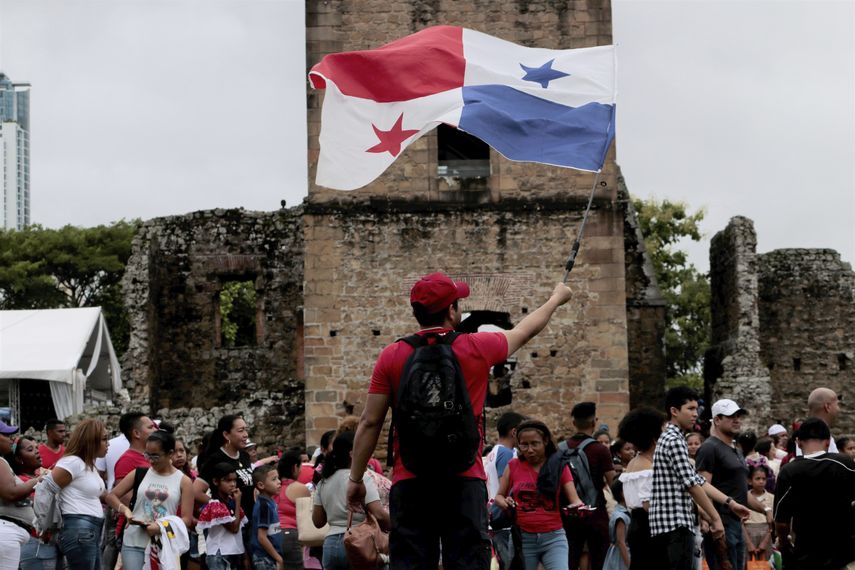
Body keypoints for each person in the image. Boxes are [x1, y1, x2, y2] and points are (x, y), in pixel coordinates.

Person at [347, 273, 573, 570]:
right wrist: (556, 298)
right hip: (464, 478)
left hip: (411, 480)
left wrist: (355, 479)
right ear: (452, 311)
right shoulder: (475, 347)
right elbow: (524, 331)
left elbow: (369, 422)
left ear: (416, 313)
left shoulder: (392, 355)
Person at [649, 387, 750, 570]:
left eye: (696, 409)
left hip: (675, 524)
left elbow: (697, 480)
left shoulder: (675, 438)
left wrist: (730, 502)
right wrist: (715, 517)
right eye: (690, 409)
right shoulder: (674, 440)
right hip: (674, 524)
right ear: (674, 411)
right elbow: (692, 485)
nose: (695, 414)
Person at [494, 420, 583, 570]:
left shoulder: (558, 465)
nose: (529, 450)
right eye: (524, 445)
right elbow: (499, 496)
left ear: (545, 442)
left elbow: (575, 500)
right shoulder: (513, 465)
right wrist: (504, 502)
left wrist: (577, 508)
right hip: (523, 538)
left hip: (554, 537)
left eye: (535, 444)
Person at [695, 399, 772, 570]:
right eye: (731, 416)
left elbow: (742, 492)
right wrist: (712, 520)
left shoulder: (736, 450)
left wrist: (765, 510)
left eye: (738, 416)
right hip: (721, 524)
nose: (737, 419)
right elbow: (701, 488)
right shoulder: (709, 448)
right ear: (717, 420)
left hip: (737, 524)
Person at [773, 417, 855, 569]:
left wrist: (784, 545)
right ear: (828, 442)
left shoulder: (789, 471)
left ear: (798, 442)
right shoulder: (846, 464)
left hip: (806, 554)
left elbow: (781, 522)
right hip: (844, 553)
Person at [106, 431, 194, 570]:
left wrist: (160, 527)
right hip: (133, 541)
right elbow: (111, 496)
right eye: (147, 455)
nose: (150, 460)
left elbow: (186, 519)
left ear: (170, 453)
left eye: (155, 456)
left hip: (163, 544)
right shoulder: (140, 472)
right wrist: (126, 510)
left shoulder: (184, 481)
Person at [314, 432, 389, 570]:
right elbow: (378, 514)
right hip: (359, 543)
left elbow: (318, 522)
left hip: (330, 546)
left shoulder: (323, 482)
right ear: (352, 453)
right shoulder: (363, 479)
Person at [562, 401, 616, 570]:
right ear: (594, 422)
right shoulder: (600, 450)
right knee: (600, 560)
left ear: (573, 423)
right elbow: (612, 482)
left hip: (567, 514)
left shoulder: (560, 449)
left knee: (569, 559)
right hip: (596, 513)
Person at [51, 419, 109, 570]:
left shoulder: (87, 465)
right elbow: (46, 489)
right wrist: (46, 525)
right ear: (91, 441)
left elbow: (103, 494)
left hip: (89, 530)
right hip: (80, 529)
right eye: (104, 439)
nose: (108, 443)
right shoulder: (72, 462)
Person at [617, 406, 663, 570]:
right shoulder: (645, 466)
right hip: (647, 527)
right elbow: (648, 505)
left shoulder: (634, 462)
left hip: (637, 525)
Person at [6, 436, 57, 570]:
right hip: (35, 544)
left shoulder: (42, 475)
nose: (37, 451)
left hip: (50, 543)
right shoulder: (19, 482)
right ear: (18, 459)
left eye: (36, 447)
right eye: (30, 449)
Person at [0, 422, 45, 569]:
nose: (11, 438)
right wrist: (38, 480)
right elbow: (10, 493)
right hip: (6, 533)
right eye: (6, 435)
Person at [484, 411, 525, 570]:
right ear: (514, 432)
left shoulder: (493, 453)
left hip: (494, 517)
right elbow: (507, 486)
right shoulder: (506, 453)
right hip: (504, 520)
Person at [196, 462, 247, 570]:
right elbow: (234, 528)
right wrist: (238, 502)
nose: (233, 484)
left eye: (234, 480)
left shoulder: (231, 502)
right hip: (219, 555)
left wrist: (245, 557)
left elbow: (240, 532)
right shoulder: (215, 505)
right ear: (215, 481)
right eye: (228, 480)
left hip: (234, 553)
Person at [276, 451, 310, 570]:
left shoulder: (269, 487)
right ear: (295, 467)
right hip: (290, 534)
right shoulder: (299, 488)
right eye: (300, 466)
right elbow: (307, 520)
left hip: (271, 534)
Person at [251, 464, 284, 570]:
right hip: (265, 559)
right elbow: (262, 537)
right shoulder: (264, 505)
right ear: (261, 485)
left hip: (270, 557)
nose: (279, 482)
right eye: (274, 479)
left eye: (278, 478)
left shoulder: (270, 502)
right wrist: (278, 558)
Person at [742, 466, 773, 562]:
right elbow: (741, 522)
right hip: (747, 534)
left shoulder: (772, 498)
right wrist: (748, 543)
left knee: (766, 564)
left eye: (764, 479)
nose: (761, 481)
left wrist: (765, 541)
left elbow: (772, 523)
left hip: (766, 536)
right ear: (750, 481)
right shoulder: (743, 498)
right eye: (757, 478)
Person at [798, 387, 840, 455]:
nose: (839, 409)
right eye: (837, 404)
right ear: (827, 407)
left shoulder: (804, 435)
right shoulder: (810, 438)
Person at [602, 480, 630, 570]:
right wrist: (629, 565)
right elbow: (621, 542)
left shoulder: (626, 512)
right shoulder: (620, 516)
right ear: (622, 493)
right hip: (621, 557)